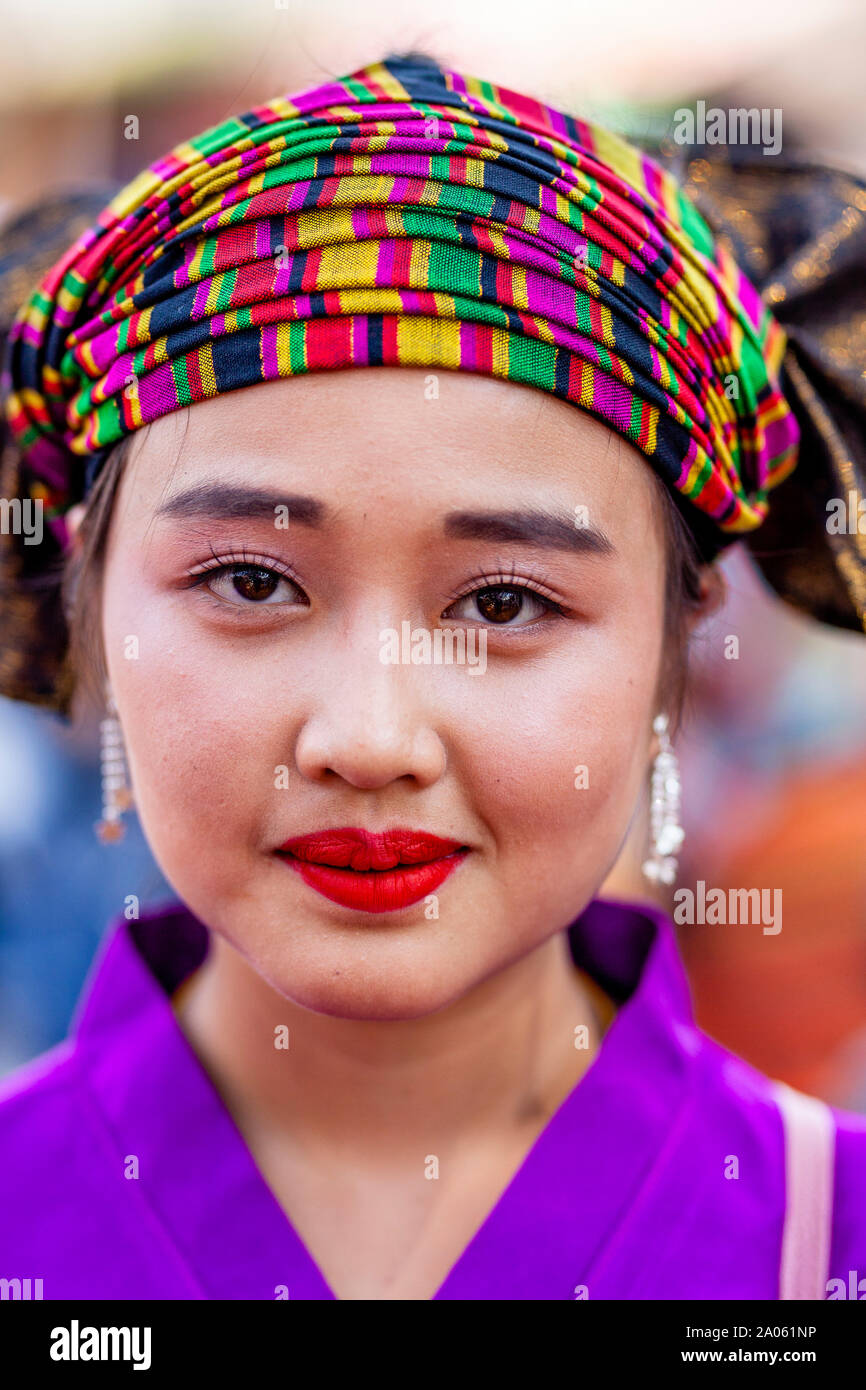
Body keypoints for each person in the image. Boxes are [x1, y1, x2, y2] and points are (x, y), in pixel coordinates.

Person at [0, 51, 865, 1301]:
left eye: (503, 601)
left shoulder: (820, 1245)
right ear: (88, 601)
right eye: (251, 582)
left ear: (679, 644)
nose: (369, 734)